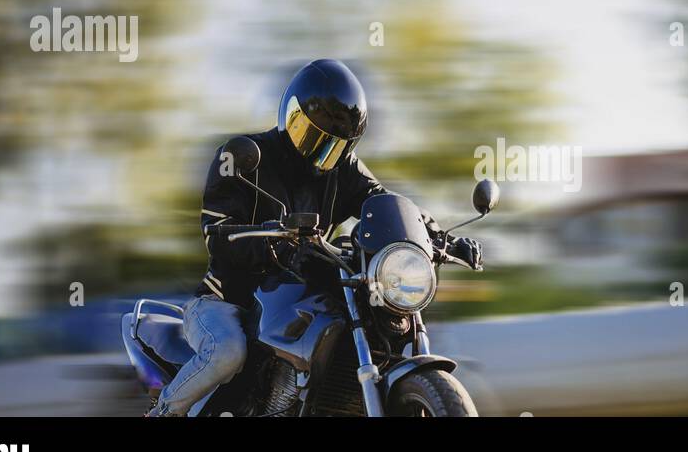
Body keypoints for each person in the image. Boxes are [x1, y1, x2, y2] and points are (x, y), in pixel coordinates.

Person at [147, 59, 481, 416]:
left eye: (333, 146)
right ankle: (163, 411)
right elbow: (217, 233)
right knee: (229, 352)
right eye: (312, 136)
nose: (320, 153)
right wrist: (271, 242)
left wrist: (434, 234)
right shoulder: (245, 158)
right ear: (291, 116)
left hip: (302, 288)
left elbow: (384, 201)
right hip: (226, 302)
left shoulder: (344, 170)